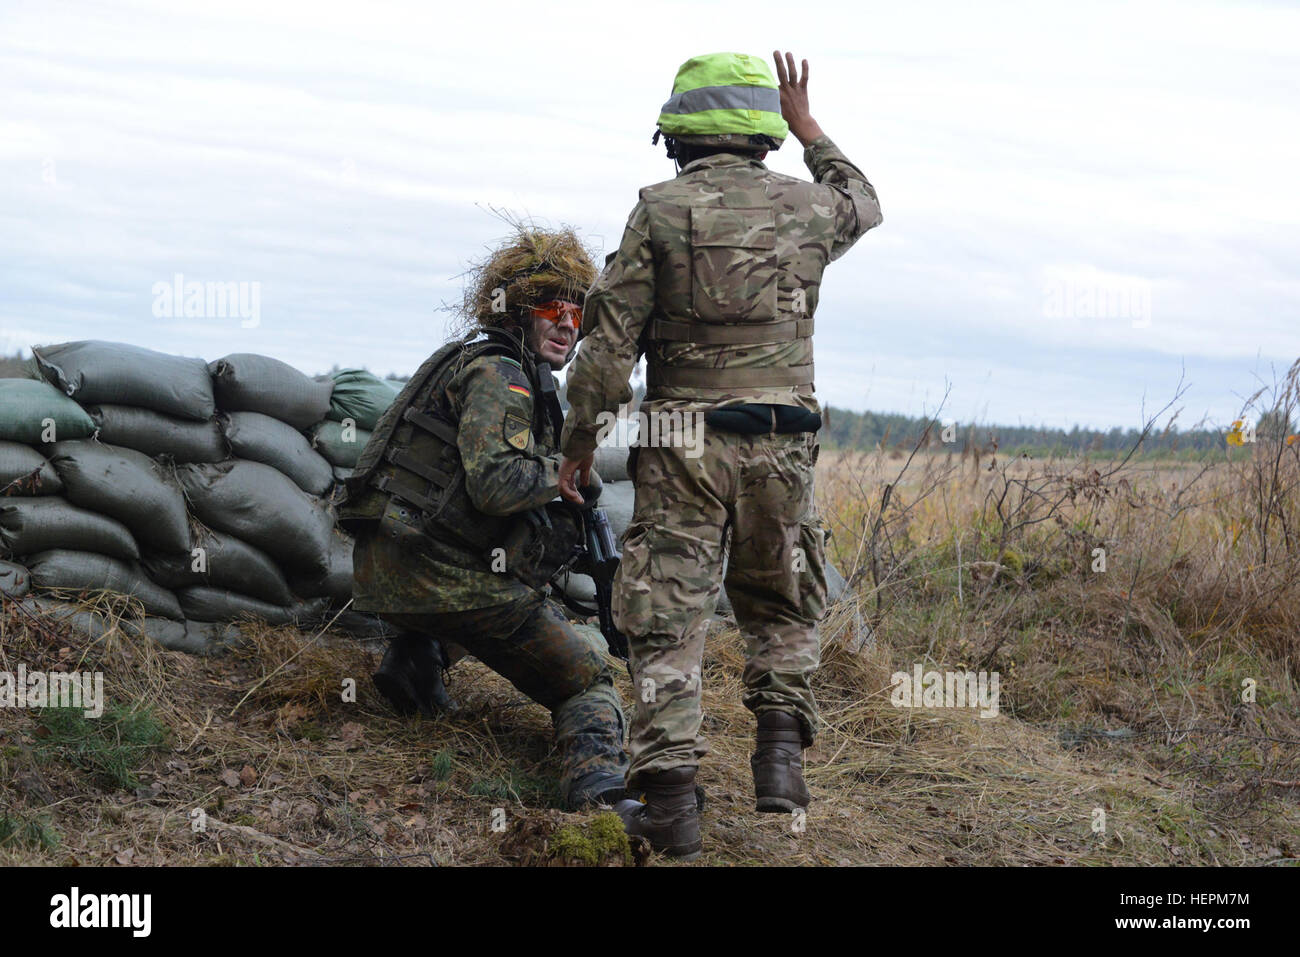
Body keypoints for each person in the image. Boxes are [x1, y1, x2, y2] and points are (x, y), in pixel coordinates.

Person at [558, 51, 883, 857]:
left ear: (677, 134)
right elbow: (865, 202)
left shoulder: (659, 212)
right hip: (782, 439)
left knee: (667, 618)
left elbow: (605, 353)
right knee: (781, 596)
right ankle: (778, 753)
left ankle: (670, 803)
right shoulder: (811, 209)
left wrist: (576, 446)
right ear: (764, 133)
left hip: (681, 445)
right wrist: (812, 130)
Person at [339, 226, 629, 811]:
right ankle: (600, 790)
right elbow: (497, 485)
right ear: (519, 312)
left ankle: (417, 661)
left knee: (515, 577)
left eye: (577, 312)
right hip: (442, 577)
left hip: (393, 566)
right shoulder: (504, 375)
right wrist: (568, 472)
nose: (568, 324)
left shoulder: (478, 361)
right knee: (588, 677)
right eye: (552, 309)